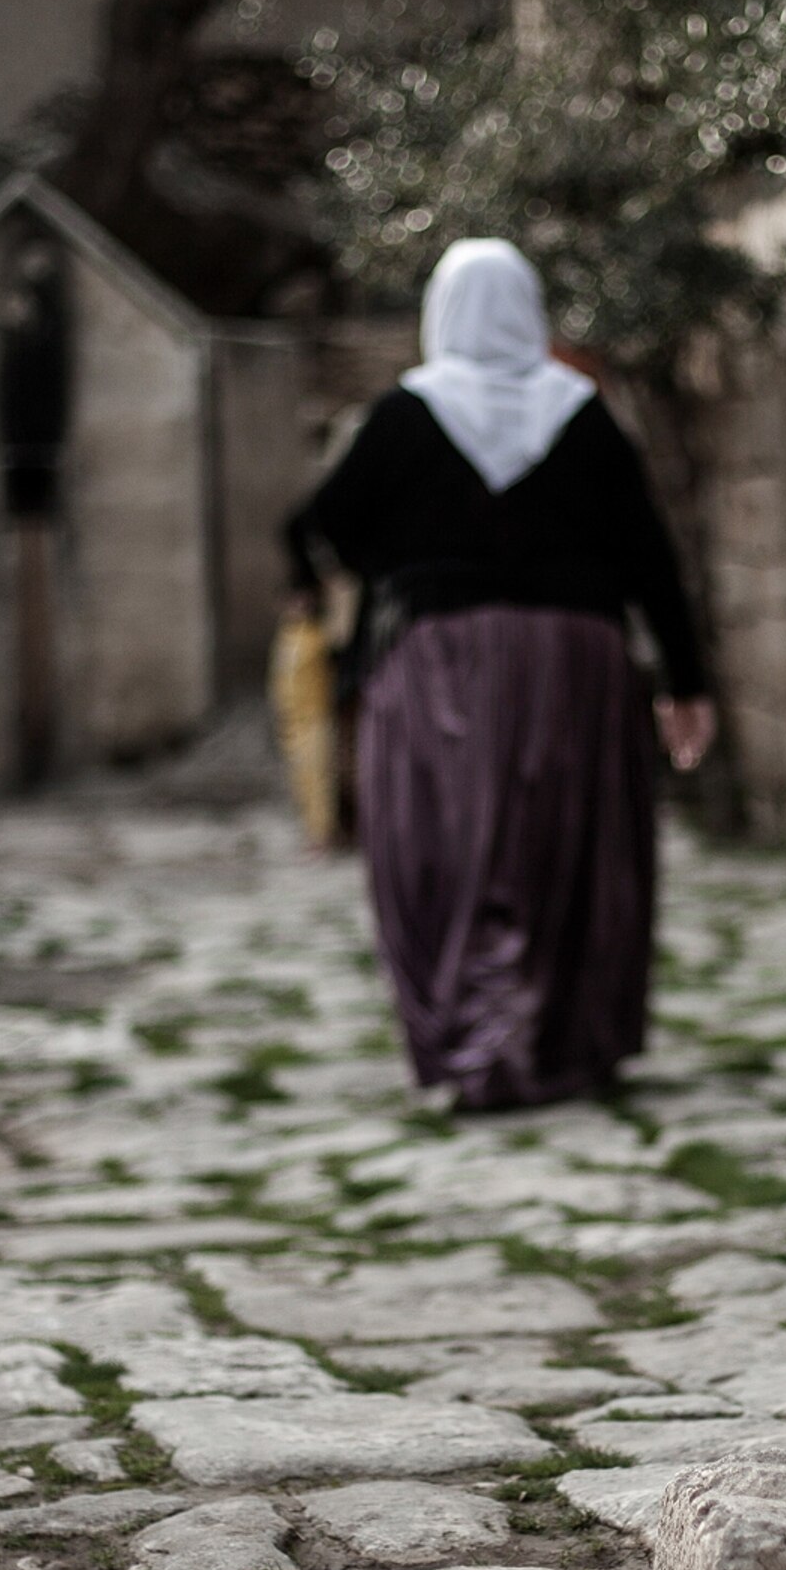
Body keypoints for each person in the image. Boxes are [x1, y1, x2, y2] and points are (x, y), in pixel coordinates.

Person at [283, 238, 717, 1110]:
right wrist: (685, 681)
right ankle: (564, 1042)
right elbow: (651, 560)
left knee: (449, 848)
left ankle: (475, 1040)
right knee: (569, 847)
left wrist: (398, 570)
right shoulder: (584, 415)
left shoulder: (405, 415)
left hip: (440, 665)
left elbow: (313, 526)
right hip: (576, 663)